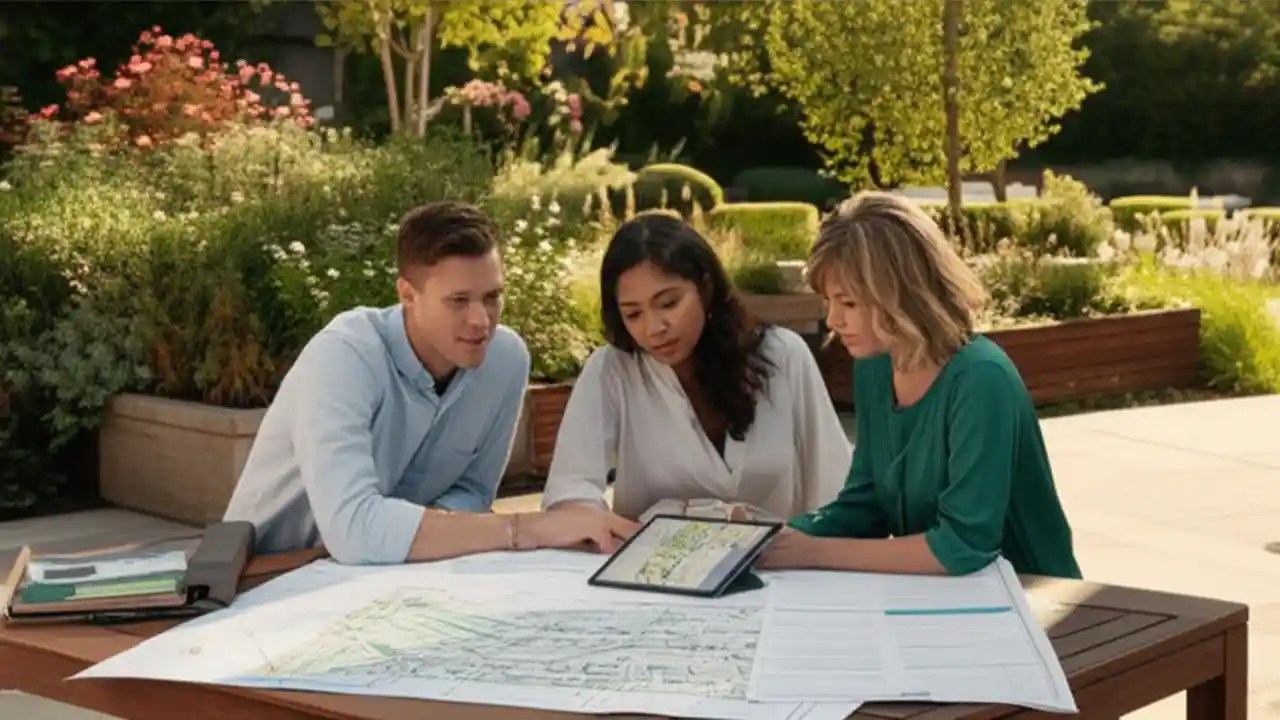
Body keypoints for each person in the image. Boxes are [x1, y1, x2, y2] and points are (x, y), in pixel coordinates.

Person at [223, 201, 638, 565]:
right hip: (267, 576)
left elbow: (472, 492)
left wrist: (426, 534)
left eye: (492, 297)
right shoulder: (344, 355)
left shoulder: (505, 360)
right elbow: (353, 529)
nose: (481, 320)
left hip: (393, 577)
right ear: (407, 294)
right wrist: (527, 529)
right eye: (459, 301)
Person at [759, 191, 1081, 579]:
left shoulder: (981, 379)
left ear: (900, 294)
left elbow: (963, 546)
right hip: (937, 600)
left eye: (848, 302)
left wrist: (812, 551)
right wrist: (773, 539)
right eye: (828, 300)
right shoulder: (875, 368)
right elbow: (866, 505)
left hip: (1035, 602)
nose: (832, 319)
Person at [540, 211, 851, 524]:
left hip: (778, 566)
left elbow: (834, 484)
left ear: (706, 286)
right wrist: (618, 533)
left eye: (669, 304)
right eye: (633, 314)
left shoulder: (782, 356)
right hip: (651, 565)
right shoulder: (613, 370)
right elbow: (569, 492)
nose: (653, 328)